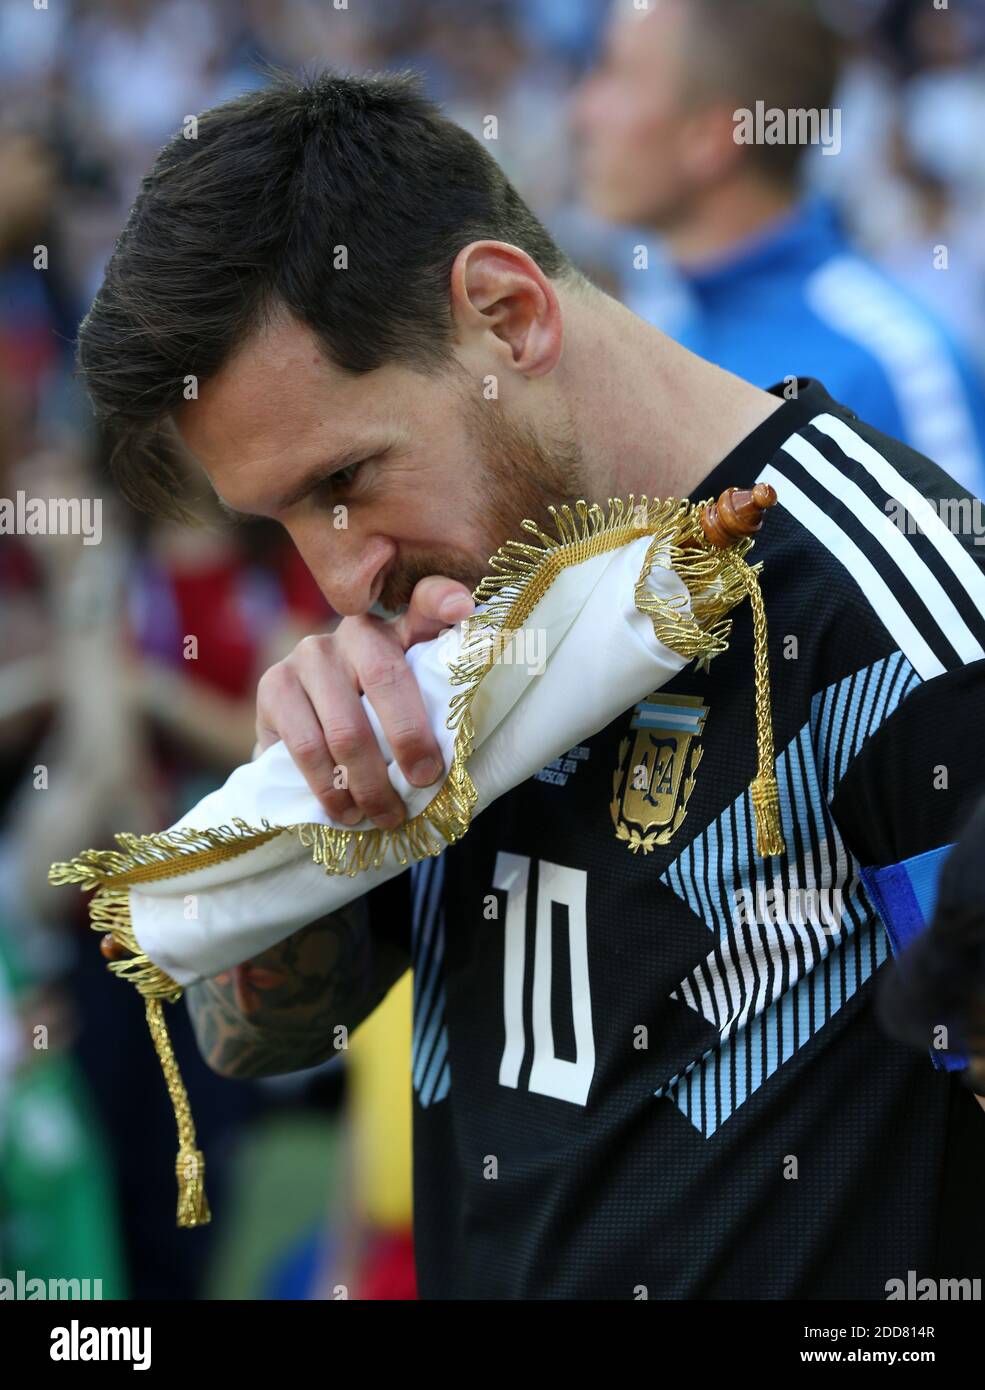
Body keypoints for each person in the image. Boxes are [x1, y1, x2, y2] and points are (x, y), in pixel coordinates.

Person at [73, 70, 985, 1299]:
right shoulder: (452, 614)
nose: (341, 577)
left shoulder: (896, 608)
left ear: (505, 316)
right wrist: (306, 801)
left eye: (345, 477)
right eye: (280, 520)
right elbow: (261, 1032)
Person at [572, 0, 985, 498]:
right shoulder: (654, 326)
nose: (583, 112)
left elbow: (961, 570)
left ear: (710, 136)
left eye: (619, 75)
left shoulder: (892, 363)